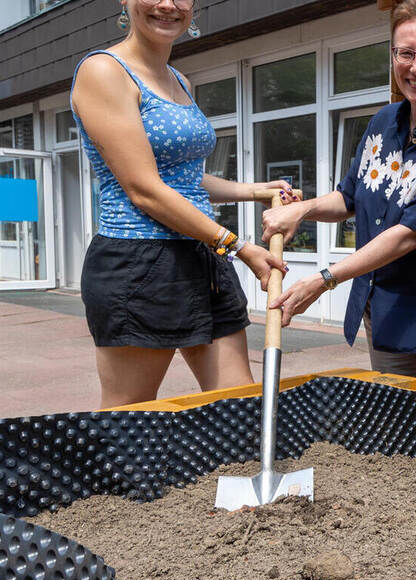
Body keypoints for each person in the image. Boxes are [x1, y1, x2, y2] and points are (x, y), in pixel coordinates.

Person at [261, 0, 416, 388]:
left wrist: (323, 279)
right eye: (405, 53)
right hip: (387, 308)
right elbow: (349, 198)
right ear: (393, 57)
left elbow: (412, 232)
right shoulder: (382, 122)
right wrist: (300, 211)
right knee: (397, 440)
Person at [71, 0, 294, 408]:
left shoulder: (179, 80)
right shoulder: (102, 71)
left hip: (201, 253)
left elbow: (183, 178)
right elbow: (144, 188)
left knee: (238, 405)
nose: (168, 4)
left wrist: (256, 189)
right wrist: (240, 247)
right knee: (131, 420)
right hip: (138, 263)